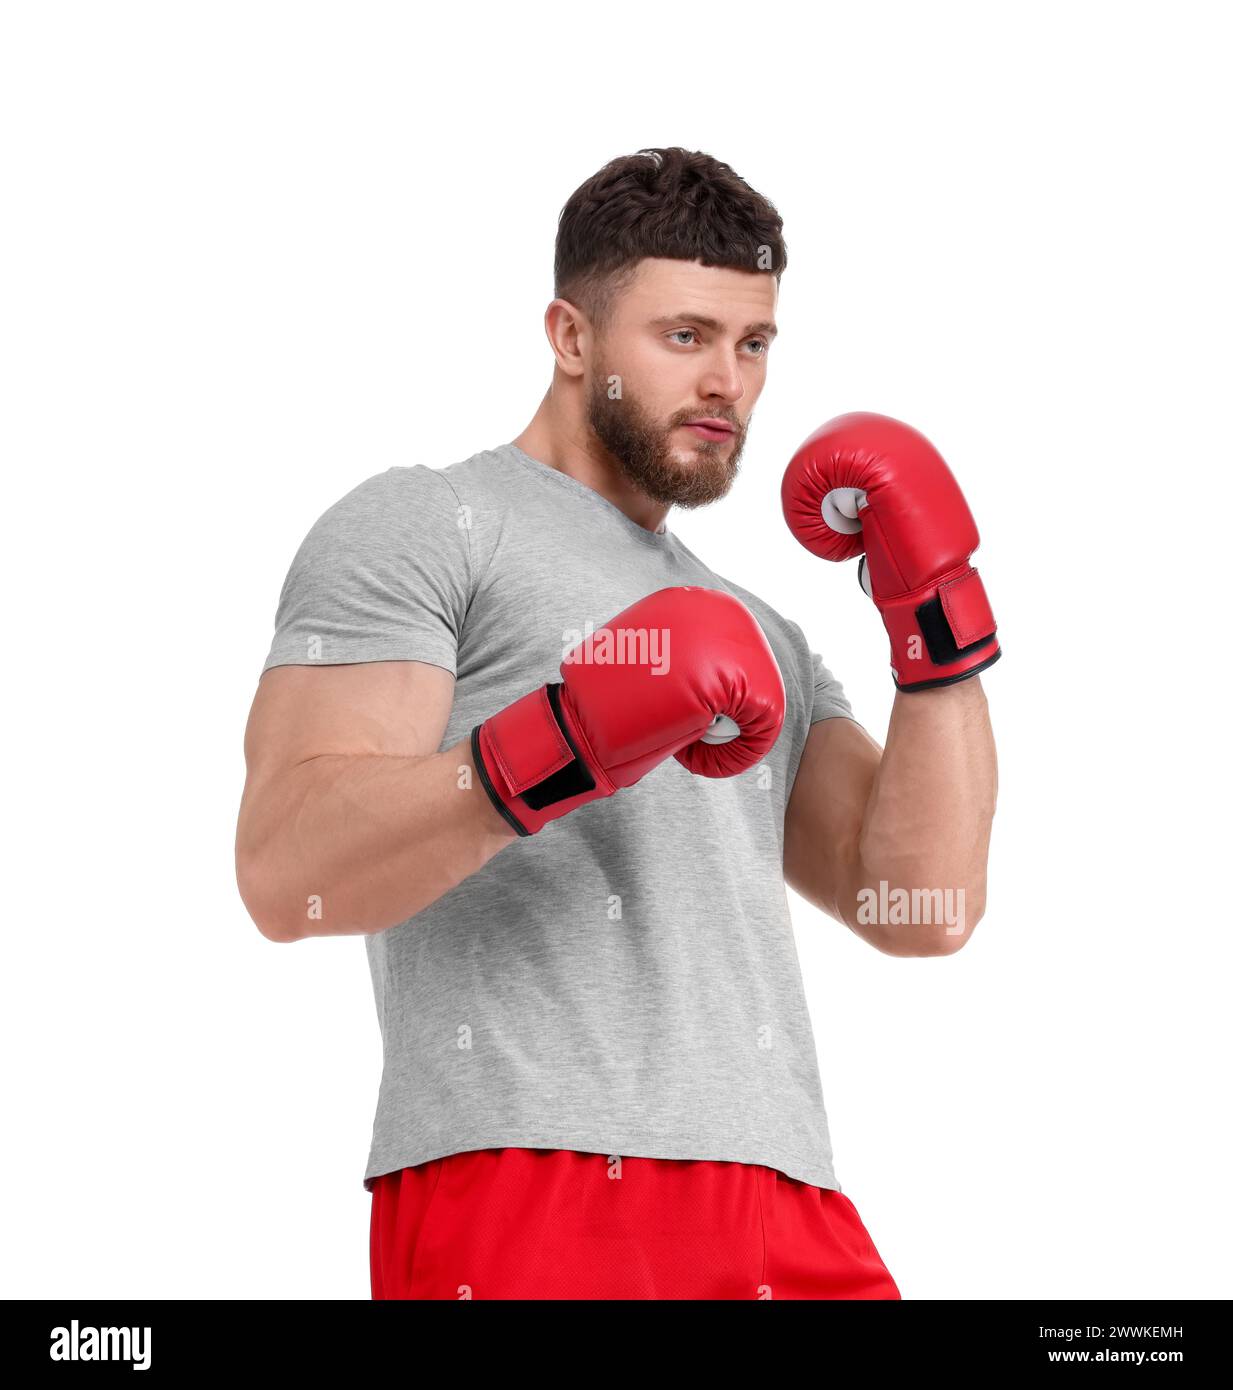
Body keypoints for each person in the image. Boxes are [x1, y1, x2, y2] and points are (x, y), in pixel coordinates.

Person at [235, 146, 999, 1300]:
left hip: (784, 1189)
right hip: (530, 1167)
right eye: (684, 336)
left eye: (754, 344)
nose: (728, 384)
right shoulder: (432, 523)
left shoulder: (758, 630)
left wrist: (934, 618)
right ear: (571, 336)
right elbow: (284, 869)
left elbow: (922, 902)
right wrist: (563, 739)